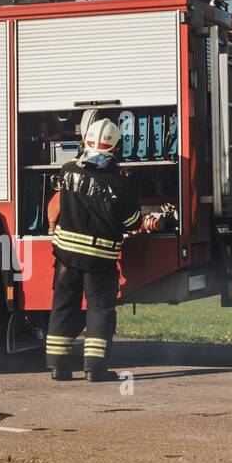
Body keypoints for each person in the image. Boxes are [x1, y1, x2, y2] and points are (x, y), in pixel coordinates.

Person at [46, 117, 149, 382]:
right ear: (115, 147)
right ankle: (95, 368)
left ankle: (58, 366)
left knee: (63, 306)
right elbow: (132, 222)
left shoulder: (66, 171)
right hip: (99, 258)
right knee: (99, 309)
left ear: (86, 142)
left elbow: (56, 206)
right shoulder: (120, 182)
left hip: (65, 255)